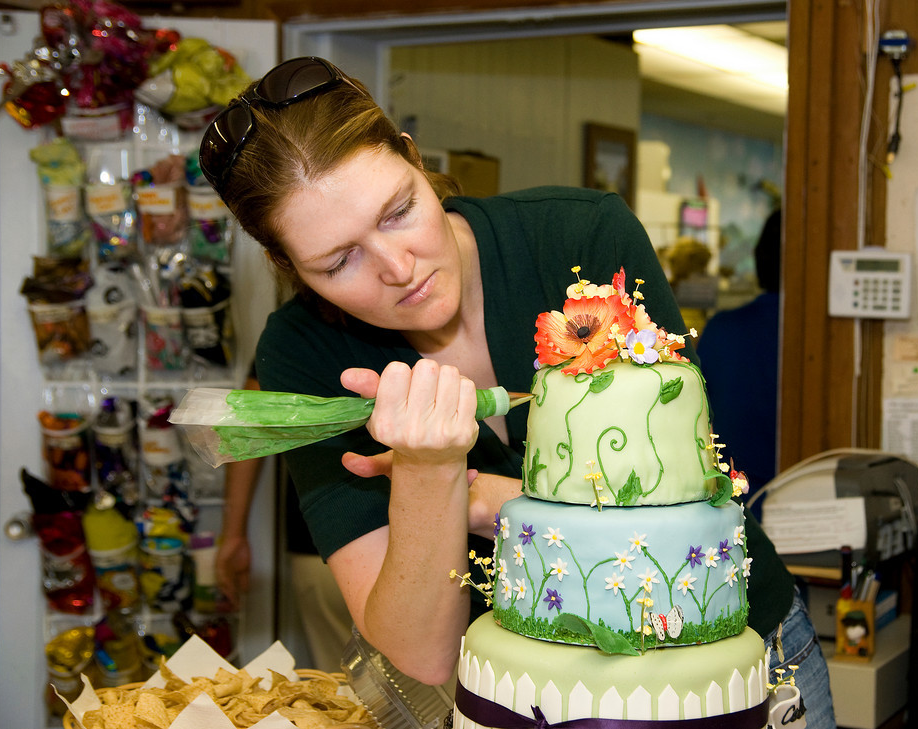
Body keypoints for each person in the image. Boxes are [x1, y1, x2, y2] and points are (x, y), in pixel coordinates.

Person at [199, 56, 835, 727]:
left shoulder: (579, 237)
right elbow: (420, 653)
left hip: (738, 662)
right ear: (289, 268)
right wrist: (427, 471)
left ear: (415, 160)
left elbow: (676, 499)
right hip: (521, 701)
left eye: (399, 211)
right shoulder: (303, 353)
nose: (396, 267)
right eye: (338, 260)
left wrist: (473, 501)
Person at [216, 371, 354, 673]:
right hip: (427, 541)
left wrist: (234, 533)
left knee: (347, 685)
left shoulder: (298, 329)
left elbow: (249, 417)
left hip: (326, 541)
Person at [697, 208, 782, 515]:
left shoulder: (721, 331)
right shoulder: (818, 345)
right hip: (811, 513)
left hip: (730, 510)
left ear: (759, 258)